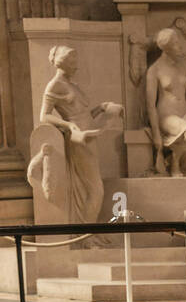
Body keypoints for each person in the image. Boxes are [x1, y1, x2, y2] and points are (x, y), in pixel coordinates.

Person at [33, 45, 122, 224]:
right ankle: (87, 234)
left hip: (88, 137)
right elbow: (45, 115)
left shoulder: (72, 84)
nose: (77, 66)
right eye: (73, 62)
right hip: (79, 139)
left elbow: (84, 114)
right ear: (62, 62)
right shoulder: (55, 84)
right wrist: (69, 125)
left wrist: (102, 108)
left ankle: (89, 231)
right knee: (95, 188)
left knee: (90, 186)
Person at [146, 28, 186, 177]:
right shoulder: (154, 70)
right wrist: (156, 134)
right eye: (175, 44)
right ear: (165, 48)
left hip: (185, 111)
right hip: (166, 115)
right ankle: (175, 162)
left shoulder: (183, 65)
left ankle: (173, 153)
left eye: (178, 42)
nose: (180, 46)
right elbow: (150, 105)